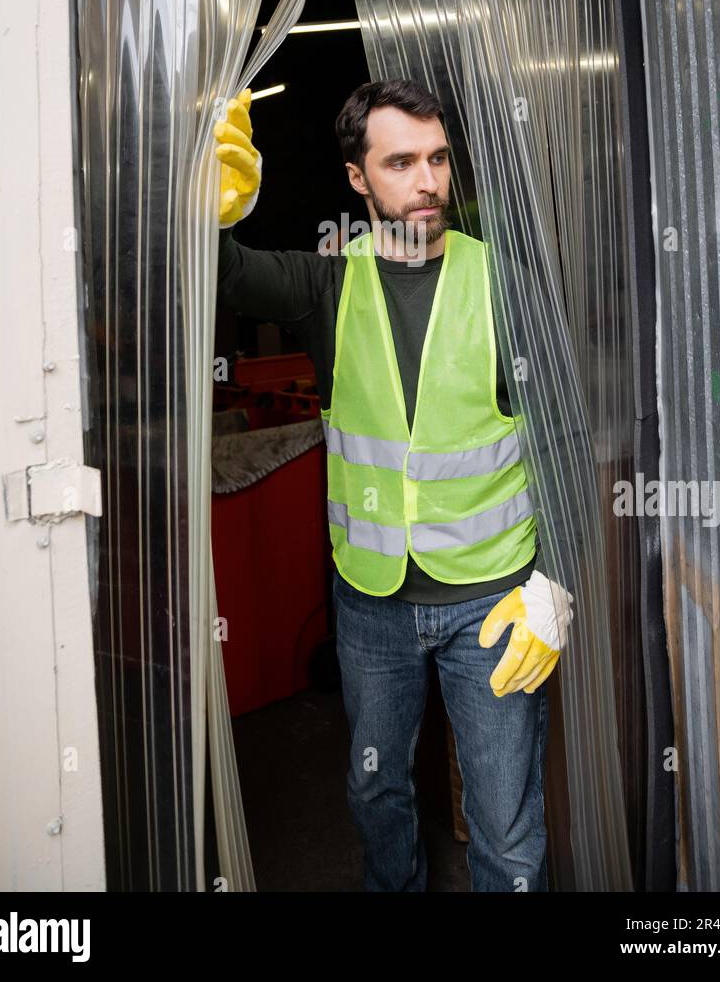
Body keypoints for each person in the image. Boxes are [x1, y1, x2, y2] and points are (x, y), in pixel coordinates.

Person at [213, 77, 574, 892]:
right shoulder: (329, 286)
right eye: (402, 161)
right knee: (376, 791)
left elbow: (562, 438)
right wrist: (215, 200)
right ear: (356, 179)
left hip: (494, 604)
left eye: (439, 159)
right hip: (371, 607)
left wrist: (559, 580)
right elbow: (221, 276)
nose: (428, 181)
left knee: (506, 825)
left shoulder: (504, 282)